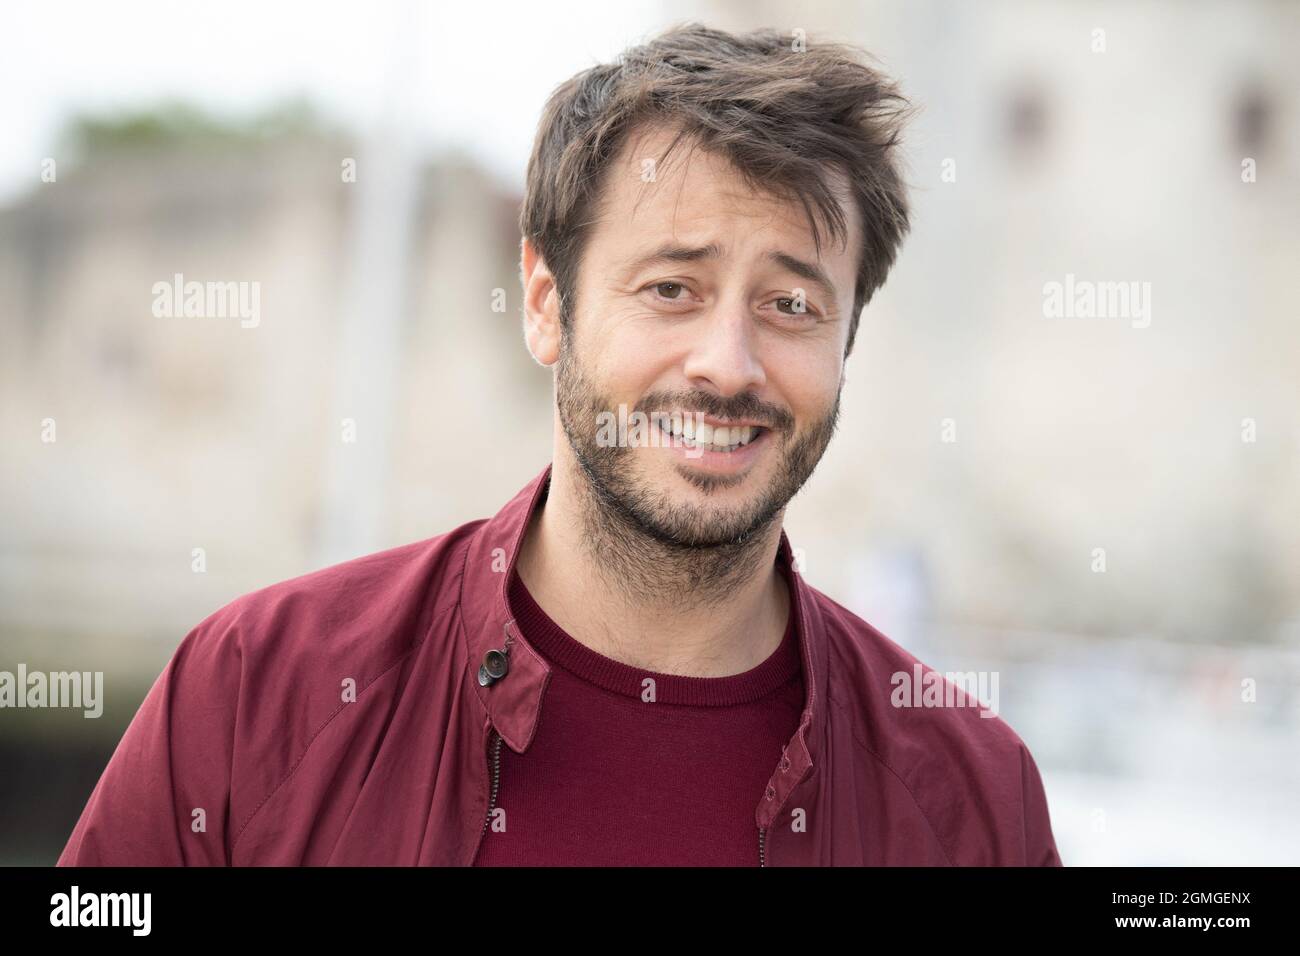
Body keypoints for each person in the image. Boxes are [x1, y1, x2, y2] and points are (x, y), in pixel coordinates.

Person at [58, 23, 1061, 866]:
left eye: (791, 303)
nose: (727, 363)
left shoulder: (972, 801)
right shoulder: (254, 692)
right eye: (671, 286)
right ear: (546, 303)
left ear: (846, 341)